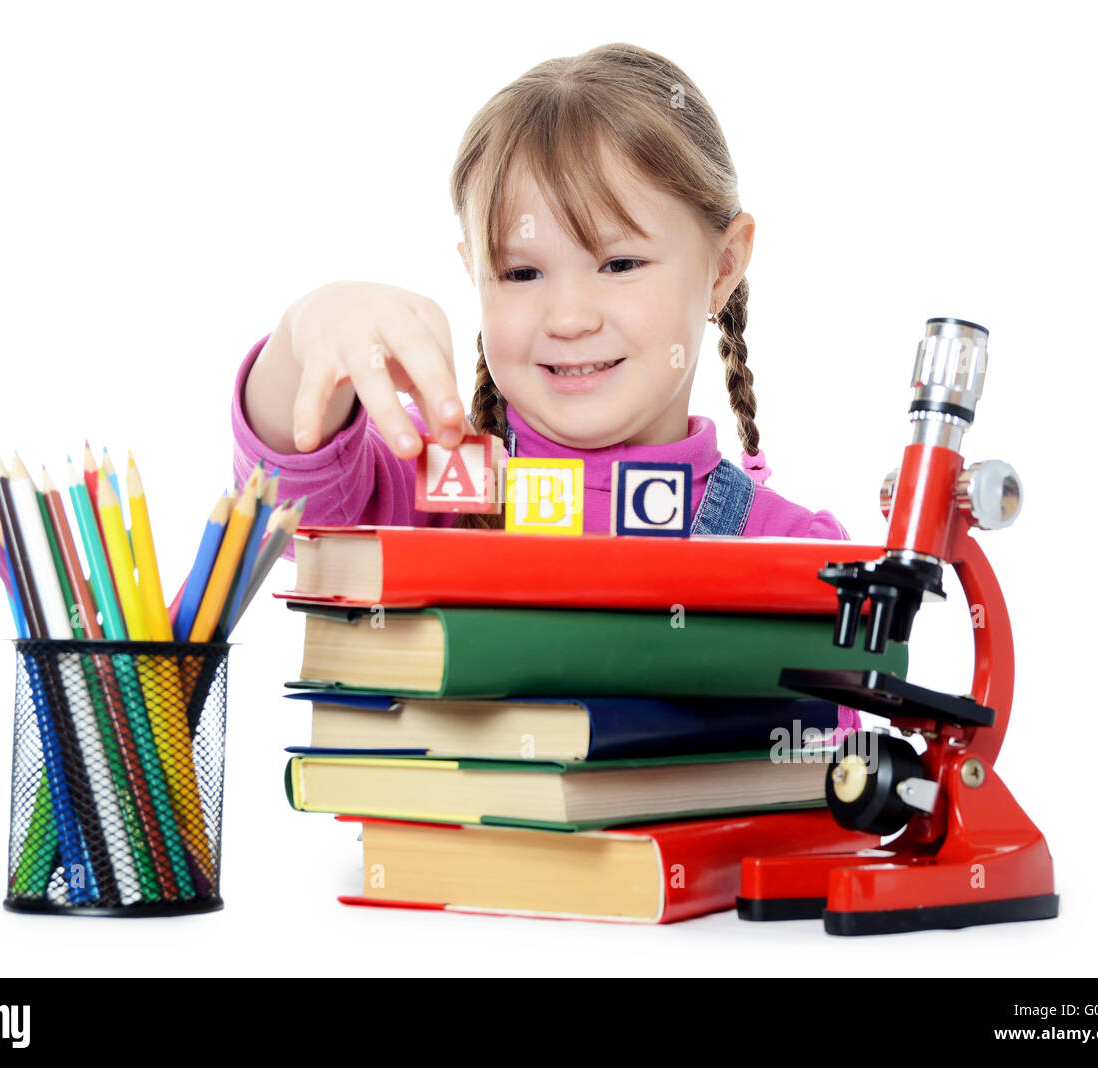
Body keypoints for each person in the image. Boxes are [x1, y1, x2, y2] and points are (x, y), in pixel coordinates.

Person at [233, 41, 858, 734]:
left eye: (619, 263)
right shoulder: (426, 487)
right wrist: (305, 333)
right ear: (475, 274)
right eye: (521, 274)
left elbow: (829, 781)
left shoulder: (796, 553)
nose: (567, 318)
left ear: (723, 265)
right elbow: (288, 493)